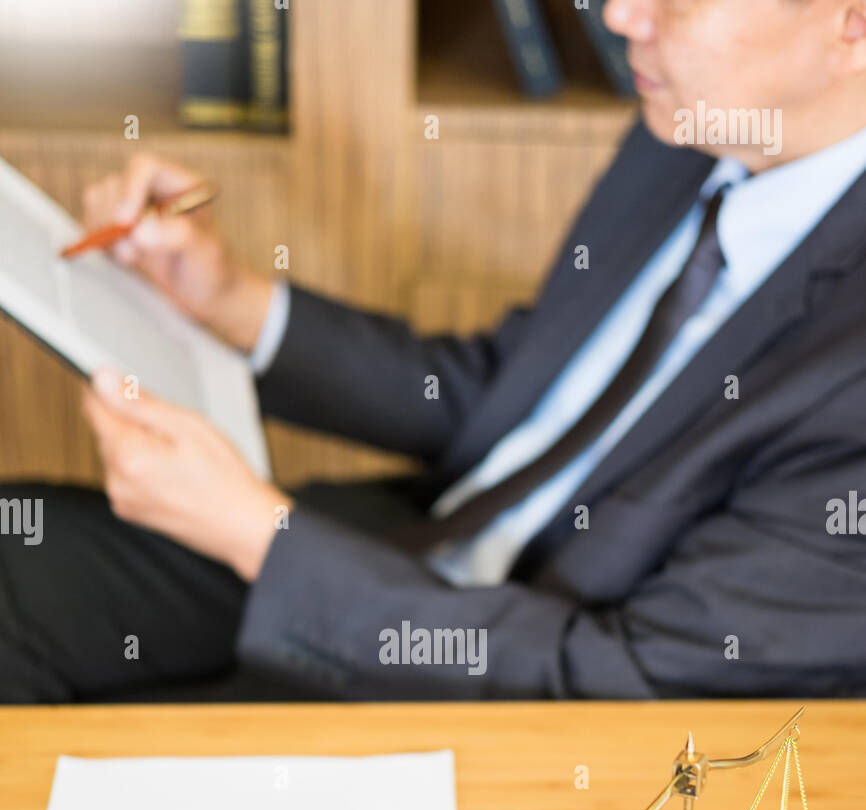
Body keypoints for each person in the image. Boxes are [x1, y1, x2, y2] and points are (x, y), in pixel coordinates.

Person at [2, 0, 866, 702]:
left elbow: (619, 677)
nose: (621, 15)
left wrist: (255, 535)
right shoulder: (691, 129)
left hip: (515, 687)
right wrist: (230, 301)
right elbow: (515, 388)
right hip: (407, 541)